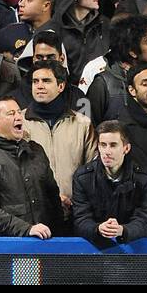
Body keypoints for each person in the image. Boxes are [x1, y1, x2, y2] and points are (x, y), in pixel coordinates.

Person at [0, 94, 63, 238]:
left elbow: (53, 198)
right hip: (7, 248)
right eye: (11, 114)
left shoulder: (36, 151)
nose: (18, 117)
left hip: (45, 243)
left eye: (19, 112)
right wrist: (26, 229)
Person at [22, 60, 96, 212]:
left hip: (75, 211)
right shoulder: (18, 123)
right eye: (35, 81)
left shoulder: (82, 124)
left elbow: (93, 171)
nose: (39, 86)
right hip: (33, 213)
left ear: (61, 86)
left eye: (46, 81)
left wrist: (77, 201)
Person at [70, 121, 147, 248]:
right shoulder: (83, 177)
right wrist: (98, 228)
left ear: (126, 148)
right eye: (103, 145)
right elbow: (81, 218)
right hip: (94, 248)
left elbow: (143, 219)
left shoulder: (143, 178)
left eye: (113, 145)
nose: (107, 151)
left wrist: (123, 230)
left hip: (131, 248)